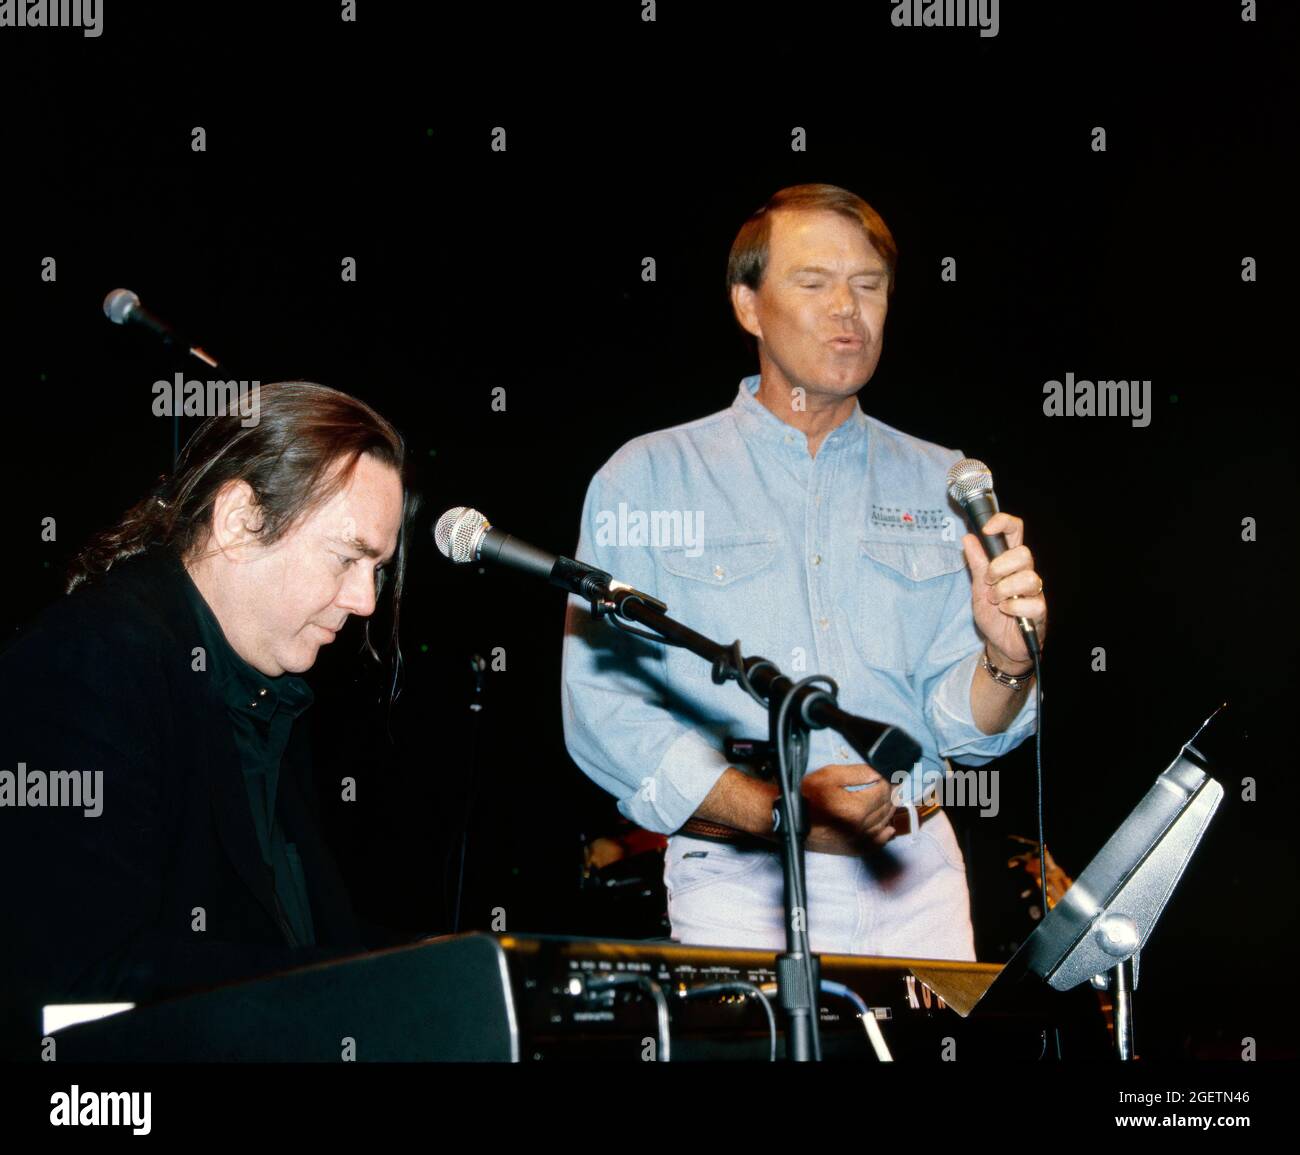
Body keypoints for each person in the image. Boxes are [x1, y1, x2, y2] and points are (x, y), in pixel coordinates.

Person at [561, 183, 1047, 961]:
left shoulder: (945, 479)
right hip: (738, 879)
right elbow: (606, 712)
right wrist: (781, 812)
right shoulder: (645, 478)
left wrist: (1008, 660)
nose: (847, 308)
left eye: (869, 285)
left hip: (918, 874)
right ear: (748, 306)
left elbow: (965, 729)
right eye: (814, 282)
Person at [0, 381, 419, 1050]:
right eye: (348, 558)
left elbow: (299, 936)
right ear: (240, 521)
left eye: (378, 569)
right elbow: (80, 986)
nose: (366, 600)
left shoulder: (267, 692)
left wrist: (460, 967)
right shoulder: (91, 662)